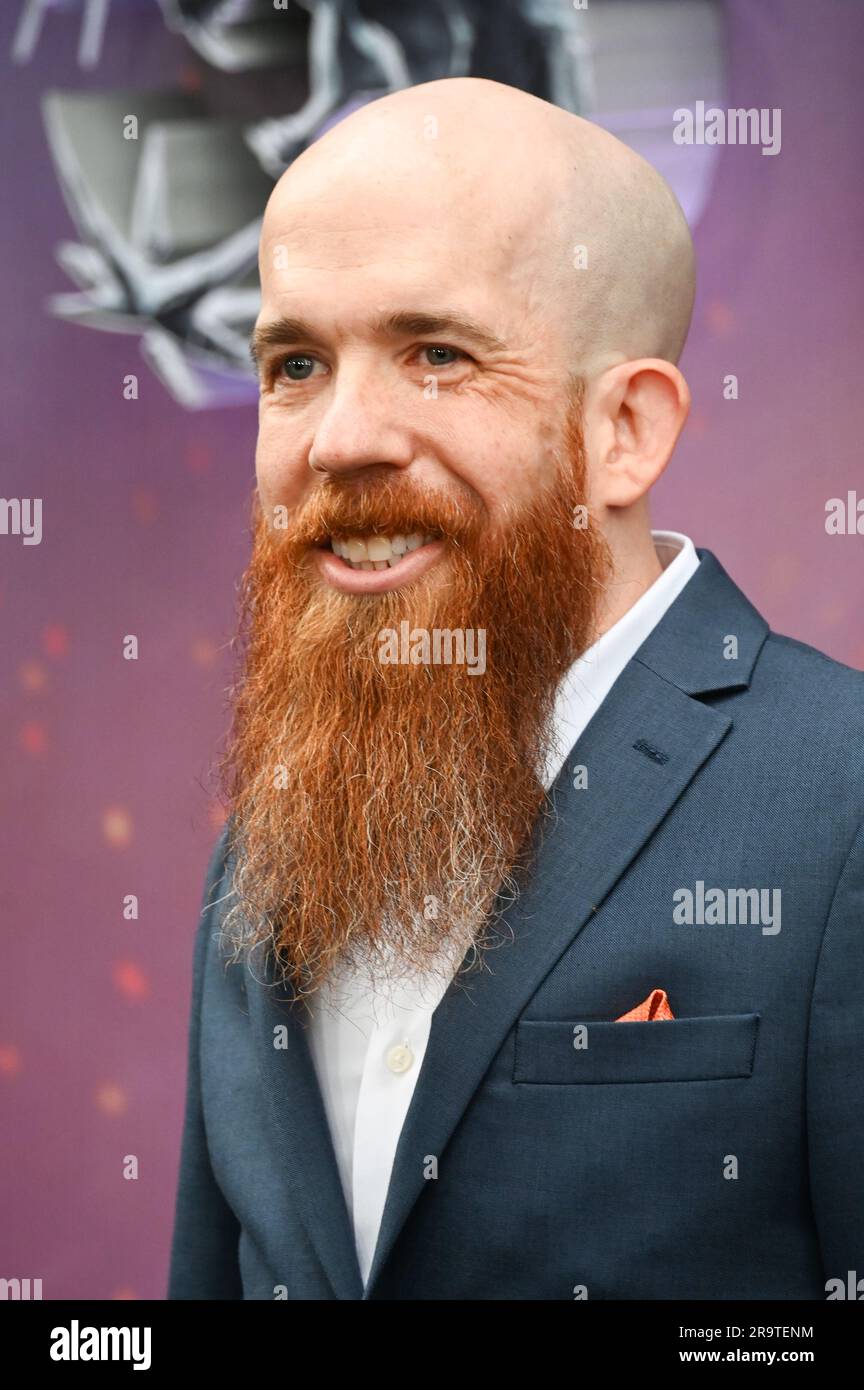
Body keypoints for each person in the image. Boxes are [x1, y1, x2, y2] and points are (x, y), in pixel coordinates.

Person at [168, 77, 864, 1300]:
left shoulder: (841, 802)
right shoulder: (269, 851)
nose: (341, 439)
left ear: (626, 433)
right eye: (294, 364)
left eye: (435, 354)